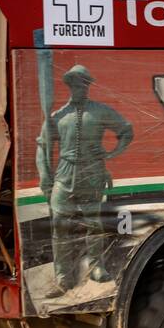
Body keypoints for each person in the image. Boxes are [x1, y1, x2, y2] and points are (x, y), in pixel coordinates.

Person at [37, 64, 133, 295]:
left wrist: (112, 154)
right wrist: (45, 178)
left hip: (92, 175)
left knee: (94, 224)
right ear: (69, 85)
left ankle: (96, 266)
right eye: (75, 83)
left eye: (83, 83)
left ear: (88, 85)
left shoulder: (100, 111)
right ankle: (63, 274)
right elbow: (42, 147)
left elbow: (126, 131)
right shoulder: (57, 117)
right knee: (60, 227)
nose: (80, 87)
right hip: (64, 175)